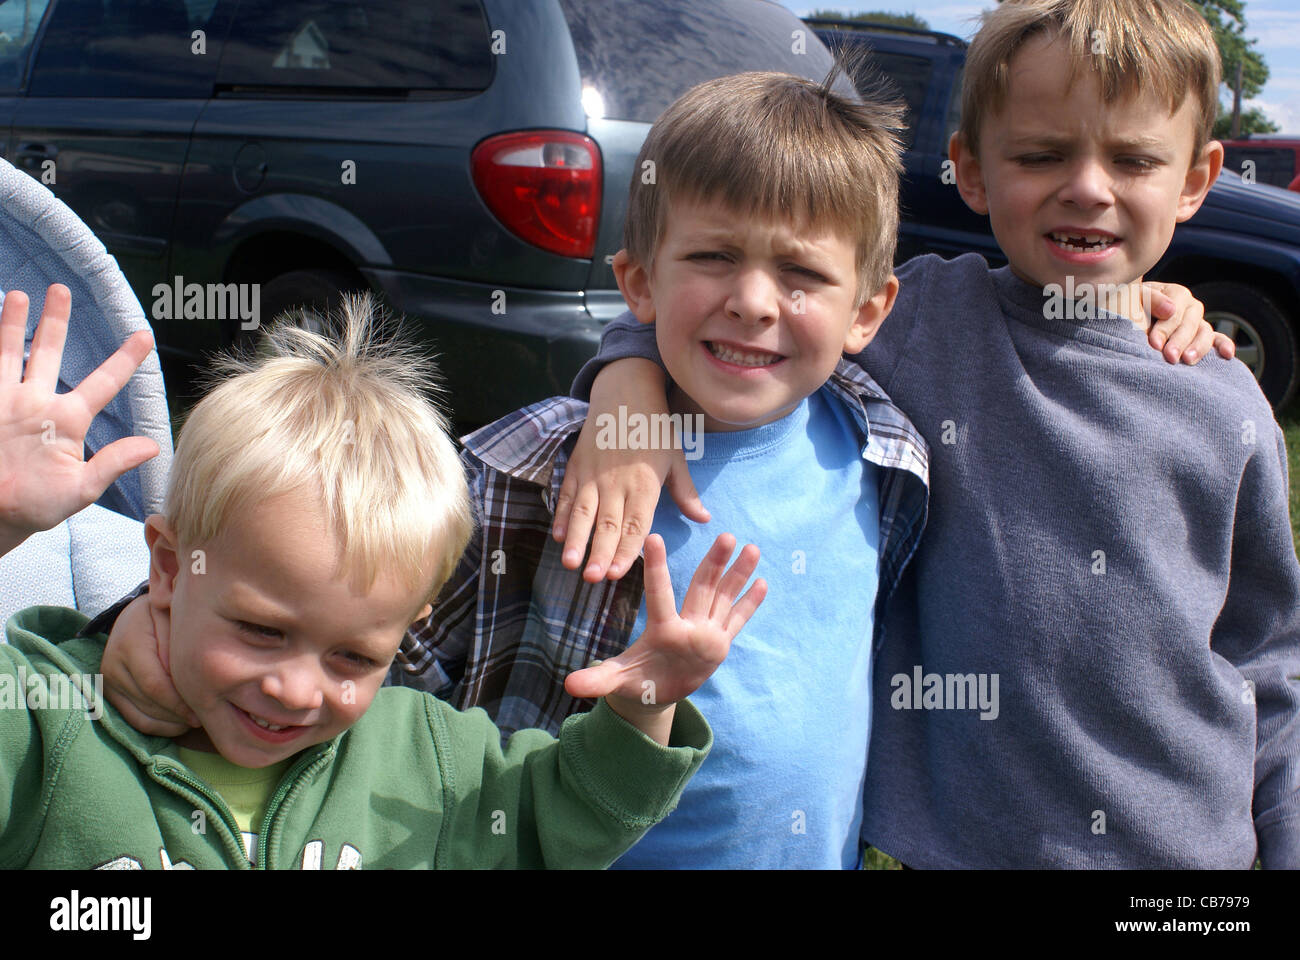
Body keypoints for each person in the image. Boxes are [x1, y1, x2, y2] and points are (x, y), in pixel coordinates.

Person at [551, 0, 1300, 868]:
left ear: (1198, 179)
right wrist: (627, 393)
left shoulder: (1223, 403)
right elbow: (757, 306)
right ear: (971, 171)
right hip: (953, 849)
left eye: (1134, 159)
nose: (1088, 186)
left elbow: (1270, 660)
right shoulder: (926, 319)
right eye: (1041, 154)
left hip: (1185, 858)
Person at [0, 285, 764, 869]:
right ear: (167, 569)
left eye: (354, 657)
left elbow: (554, 823)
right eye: (263, 631)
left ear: (410, 628)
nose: (297, 690)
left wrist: (645, 710)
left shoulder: (425, 761)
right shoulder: (52, 725)